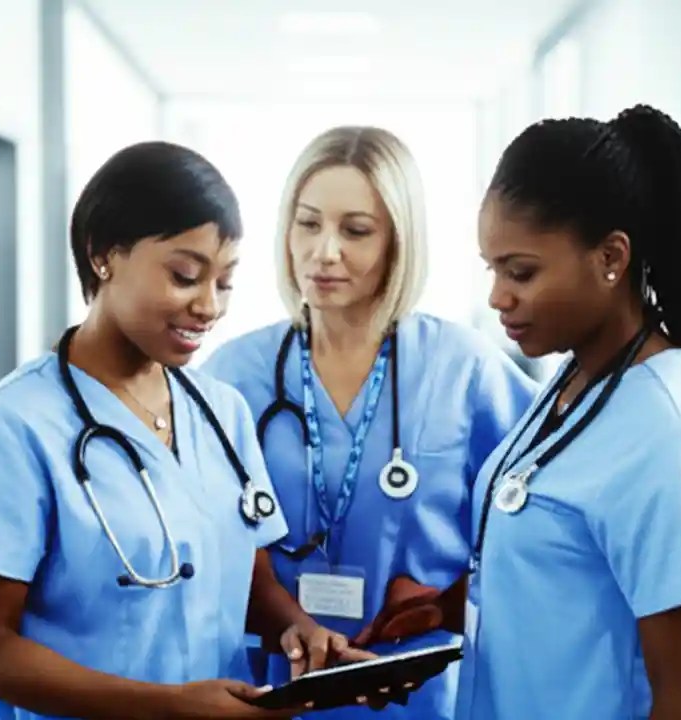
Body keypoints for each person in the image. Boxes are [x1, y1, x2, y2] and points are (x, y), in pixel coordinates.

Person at [0, 141, 375, 720]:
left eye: (225, 282)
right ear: (103, 255)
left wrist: (300, 631)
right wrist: (167, 707)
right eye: (185, 275)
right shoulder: (15, 427)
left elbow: (248, 576)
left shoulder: (222, 410)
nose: (209, 306)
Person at [363, 105, 681, 719]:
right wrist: (440, 609)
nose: (498, 297)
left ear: (611, 258)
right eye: (493, 269)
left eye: (522, 272)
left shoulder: (672, 431)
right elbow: (560, 578)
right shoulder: (575, 380)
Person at [203, 126, 538, 720]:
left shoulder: (463, 369)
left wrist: (444, 604)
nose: (324, 251)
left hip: (416, 691)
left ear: (398, 242)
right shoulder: (234, 374)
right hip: (272, 689)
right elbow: (212, 539)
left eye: (355, 231)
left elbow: (535, 526)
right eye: (308, 224)